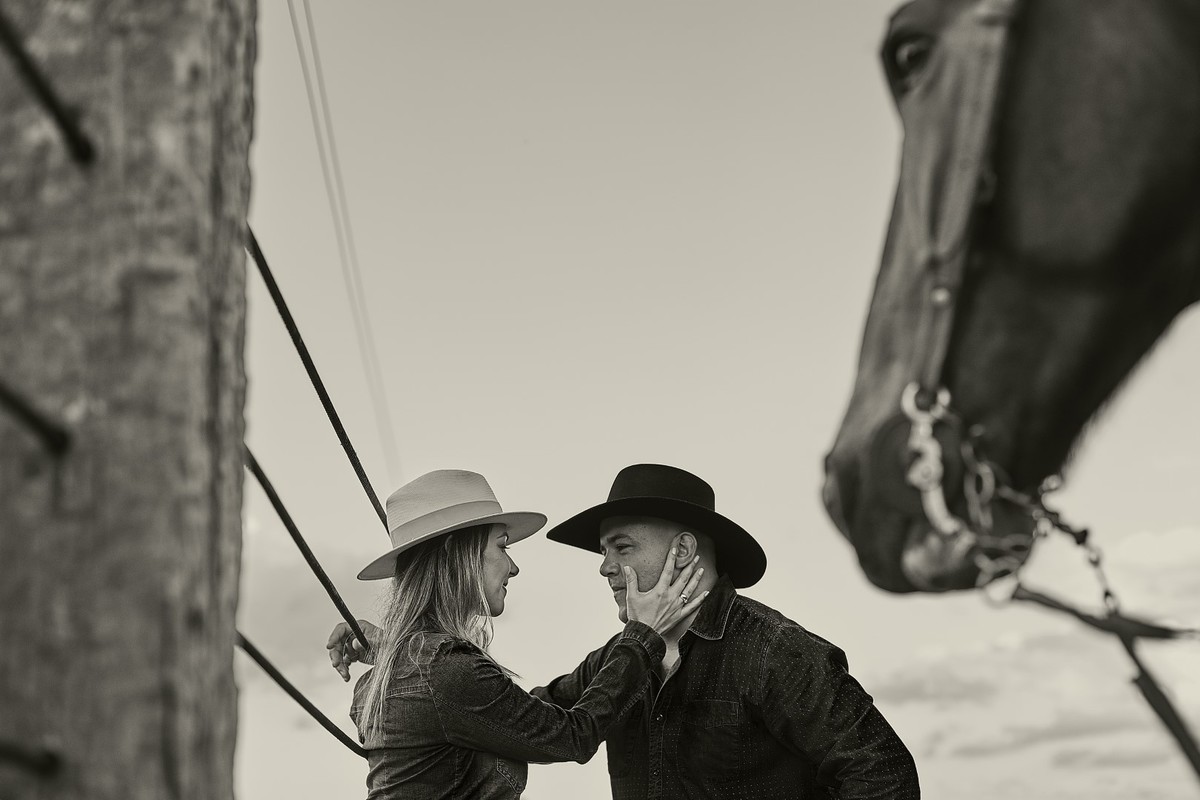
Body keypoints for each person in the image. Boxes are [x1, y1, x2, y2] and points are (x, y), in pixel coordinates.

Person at [332, 464, 920, 799]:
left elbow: (883, 775)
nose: (604, 566)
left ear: (685, 551)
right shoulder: (616, 660)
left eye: (621, 548)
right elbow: (515, 717)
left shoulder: (778, 653)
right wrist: (401, 655)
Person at [333, 468, 706, 800]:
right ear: (457, 554)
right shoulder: (445, 672)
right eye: (502, 546)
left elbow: (513, 711)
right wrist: (643, 636)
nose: (513, 568)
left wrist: (395, 648)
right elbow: (574, 736)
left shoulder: (417, 673)